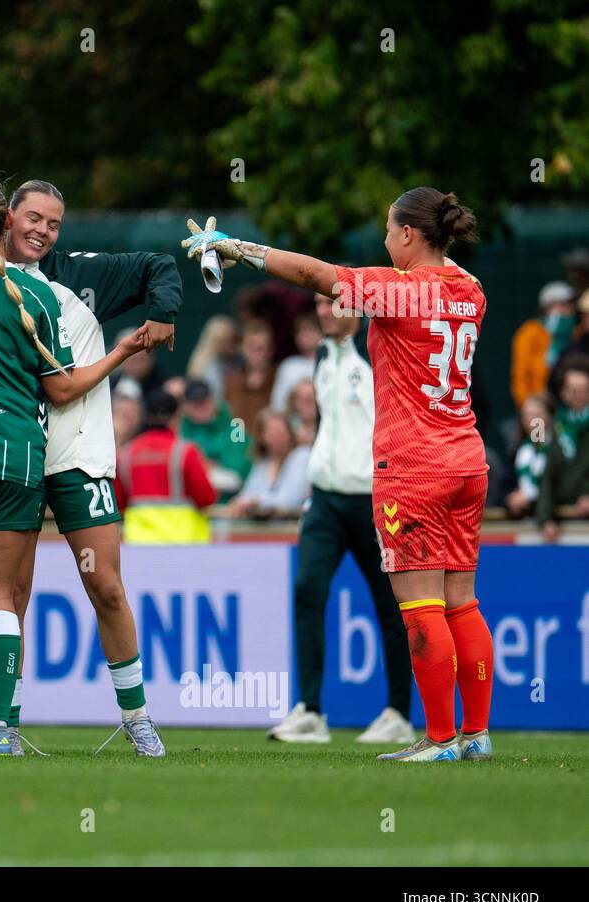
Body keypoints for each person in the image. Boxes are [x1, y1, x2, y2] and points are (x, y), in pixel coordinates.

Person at [184, 188, 494, 762]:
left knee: (420, 608)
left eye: (387, 229)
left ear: (408, 235)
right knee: (463, 603)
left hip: (414, 466)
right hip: (467, 459)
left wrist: (235, 248)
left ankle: (441, 739)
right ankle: (476, 735)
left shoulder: (401, 290)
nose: (383, 240)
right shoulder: (469, 290)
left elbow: (313, 275)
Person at [0, 178, 147, 757]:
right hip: (20, 458)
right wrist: (120, 353)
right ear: (6, 224)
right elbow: (60, 388)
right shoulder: (36, 297)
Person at [269, 292, 414, 746]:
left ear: (357, 308)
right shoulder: (322, 355)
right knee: (307, 588)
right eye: (318, 304)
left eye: (333, 304)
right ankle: (311, 711)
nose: (325, 311)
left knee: (391, 606)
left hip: (375, 498)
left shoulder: (378, 351)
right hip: (326, 500)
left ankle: (398, 713)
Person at [114, 390, 217, 544]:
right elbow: (206, 498)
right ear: (176, 417)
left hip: (139, 541)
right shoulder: (185, 452)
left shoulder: (125, 454)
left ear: (145, 415)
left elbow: (118, 503)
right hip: (184, 542)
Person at [221, 409, 310, 518]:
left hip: (294, 527)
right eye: (270, 432)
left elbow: (290, 500)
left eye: (280, 432)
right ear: (262, 437)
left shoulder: (301, 456)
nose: (276, 437)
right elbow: (247, 494)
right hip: (266, 531)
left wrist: (255, 501)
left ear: (290, 434)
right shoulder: (262, 463)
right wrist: (239, 502)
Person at [537, 358, 589, 542]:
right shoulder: (551, 427)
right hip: (561, 521)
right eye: (572, 390)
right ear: (562, 392)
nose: (578, 395)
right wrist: (545, 519)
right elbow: (546, 475)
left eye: (584, 390)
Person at [179, 377, 250, 500]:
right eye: (195, 402)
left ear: (213, 399)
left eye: (204, 400)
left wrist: (202, 466)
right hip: (192, 503)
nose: (201, 405)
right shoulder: (181, 430)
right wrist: (211, 466)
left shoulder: (236, 426)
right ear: (186, 406)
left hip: (230, 503)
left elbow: (238, 470)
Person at [511, 282, 576, 409]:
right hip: (539, 405)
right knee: (539, 428)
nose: (569, 309)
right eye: (563, 304)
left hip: (570, 403)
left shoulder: (576, 331)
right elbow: (520, 375)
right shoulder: (530, 332)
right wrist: (526, 404)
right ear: (548, 307)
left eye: (570, 304)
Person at [502, 393, 554, 518]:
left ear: (550, 416)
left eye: (537, 415)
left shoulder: (560, 448)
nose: (532, 420)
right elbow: (506, 486)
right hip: (523, 521)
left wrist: (530, 499)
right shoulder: (516, 449)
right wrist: (512, 497)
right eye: (527, 415)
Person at [223, 321, 277, 431]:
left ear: (270, 350)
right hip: (240, 443)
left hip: (268, 445)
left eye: (261, 347)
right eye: (251, 347)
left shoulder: (279, 377)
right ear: (242, 349)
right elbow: (232, 419)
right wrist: (238, 444)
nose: (257, 352)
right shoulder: (232, 380)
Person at [270, 313, 321, 412]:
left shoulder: (330, 363)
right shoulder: (288, 366)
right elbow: (278, 404)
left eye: (310, 330)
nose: (305, 335)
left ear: (322, 333)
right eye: (300, 331)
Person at [185, 316, 239, 400]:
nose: (234, 345)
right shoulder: (205, 365)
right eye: (231, 341)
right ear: (219, 342)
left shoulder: (235, 361)